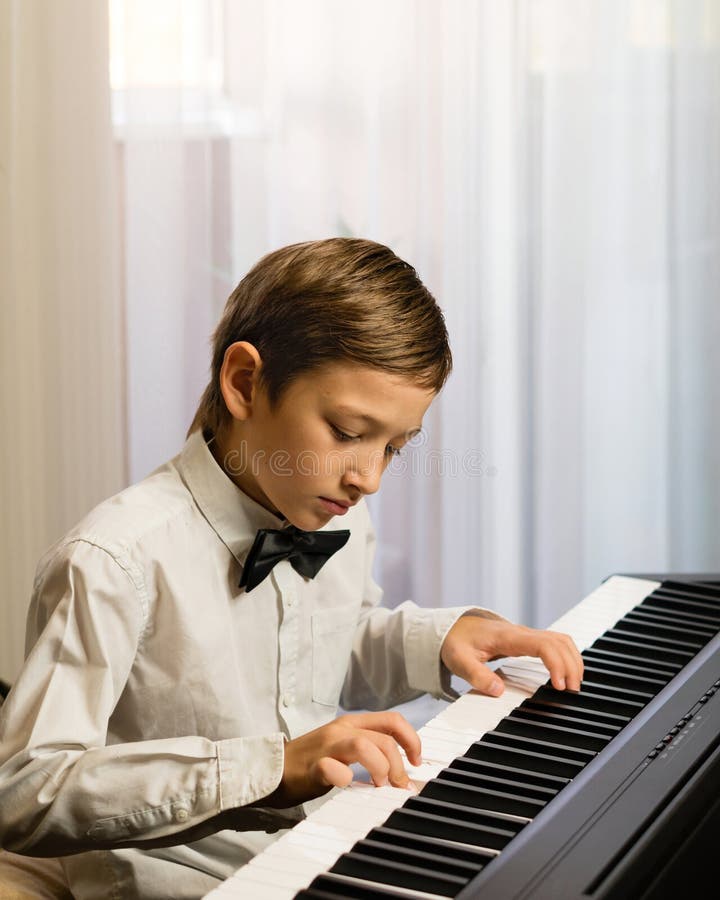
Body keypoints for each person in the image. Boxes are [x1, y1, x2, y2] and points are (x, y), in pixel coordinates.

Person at [0, 238, 583, 899]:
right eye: (346, 430)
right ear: (245, 383)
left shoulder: (332, 510)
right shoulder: (112, 561)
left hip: (326, 851)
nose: (369, 477)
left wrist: (436, 640)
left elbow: (329, 653)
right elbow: (23, 790)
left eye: (394, 447)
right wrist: (271, 768)